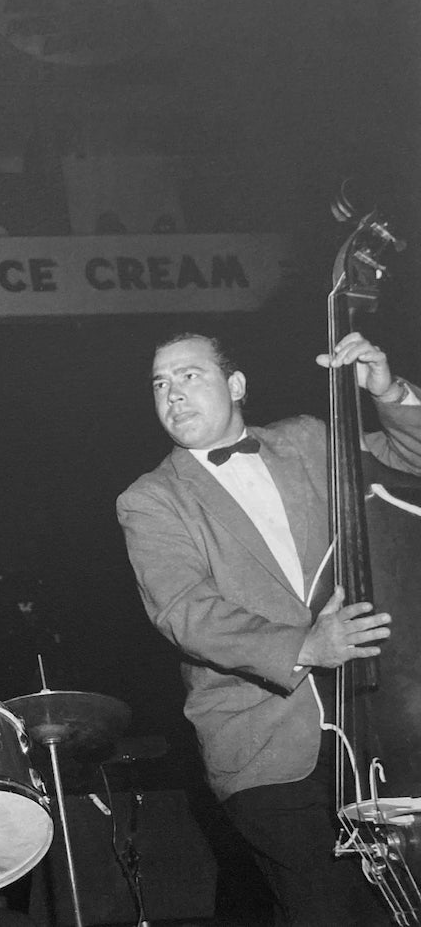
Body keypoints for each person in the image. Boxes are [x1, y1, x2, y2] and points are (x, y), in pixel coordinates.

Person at [117, 330, 421, 925]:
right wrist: (306, 645)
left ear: (236, 386)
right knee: (326, 909)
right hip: (267, 747)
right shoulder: (149, 499)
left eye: (189, 376)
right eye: (160, 384)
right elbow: (184, 611)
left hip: (378, 728)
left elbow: (412, 458)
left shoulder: (308, 439)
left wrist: (389, 392)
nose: (172, 394)